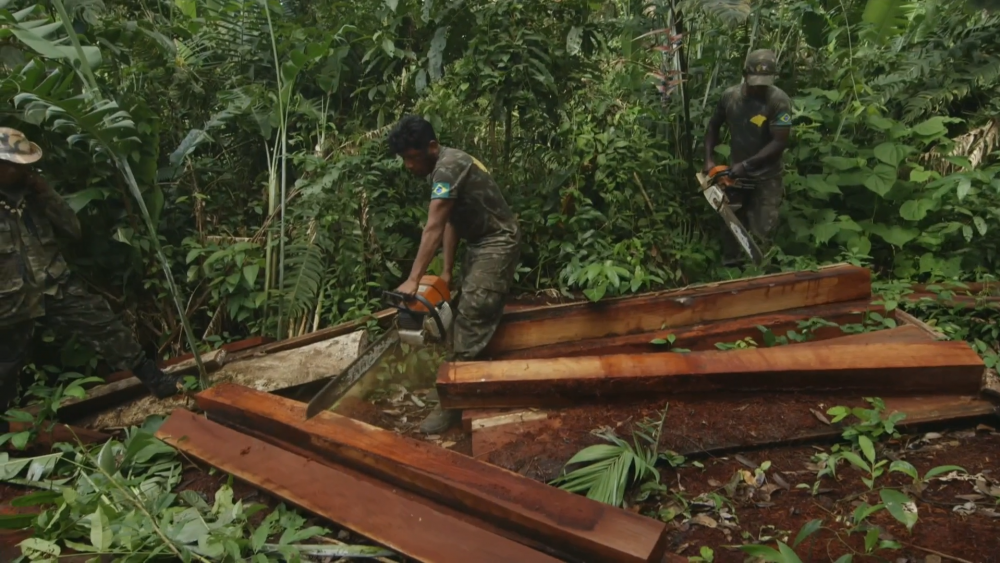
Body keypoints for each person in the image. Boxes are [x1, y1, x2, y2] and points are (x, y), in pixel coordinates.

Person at [0, 127, 181, 433]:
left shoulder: (34, 194)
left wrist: (46, 193)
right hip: (8, 298)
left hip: (54, 285)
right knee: (6, 365)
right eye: (13, 165)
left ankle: (156, 380)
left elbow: (73, 230)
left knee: (104, 326)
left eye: (22, 165)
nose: (19, 170)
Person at [387, 116, 520, 434]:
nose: (407, 165)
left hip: (497, 240)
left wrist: (414, 278)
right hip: (478, 243)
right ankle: (458, 380)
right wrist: (445, 272)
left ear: (431, 147)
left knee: (474, 311)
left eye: (411, 158)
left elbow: (432, 227)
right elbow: (450, 222)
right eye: (403, 158)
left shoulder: (449, 166)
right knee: (462, 311)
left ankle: (453, 401)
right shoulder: (442, 169)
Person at [704, 49, 793, 266]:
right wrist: (708, 159)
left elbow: (779, 141)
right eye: (755, 81)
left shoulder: (779, 101)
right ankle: (731, 269)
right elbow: (713, 126)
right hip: (736, 174)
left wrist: (748, 164)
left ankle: (760, 271)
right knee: (733, 222)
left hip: (766, 175)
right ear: (745, 74)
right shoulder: (731, 97)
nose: (759, 86)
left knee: (764, 228)